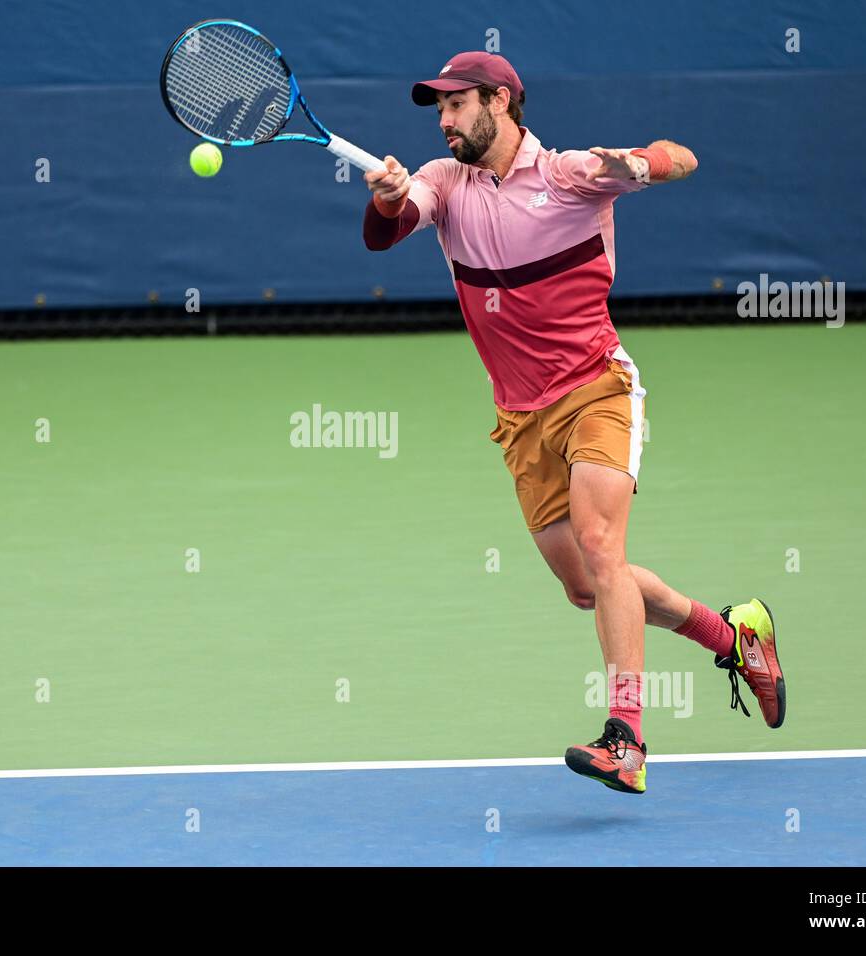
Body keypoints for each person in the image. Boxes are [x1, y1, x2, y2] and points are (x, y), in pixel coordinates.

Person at [361, 51, 785, 794]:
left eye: (457, 105)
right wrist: (391, 197)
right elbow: (383, 235)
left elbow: (679, 157)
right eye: (440, 110)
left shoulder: (570, 177)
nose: (445, 120)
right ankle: (737, 636)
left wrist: (641, 162)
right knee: (588, 584)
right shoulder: (442, 180)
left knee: (601, 543)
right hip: (520, 417)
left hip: (596, 388)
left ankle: (626, 739)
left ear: (500, 100)